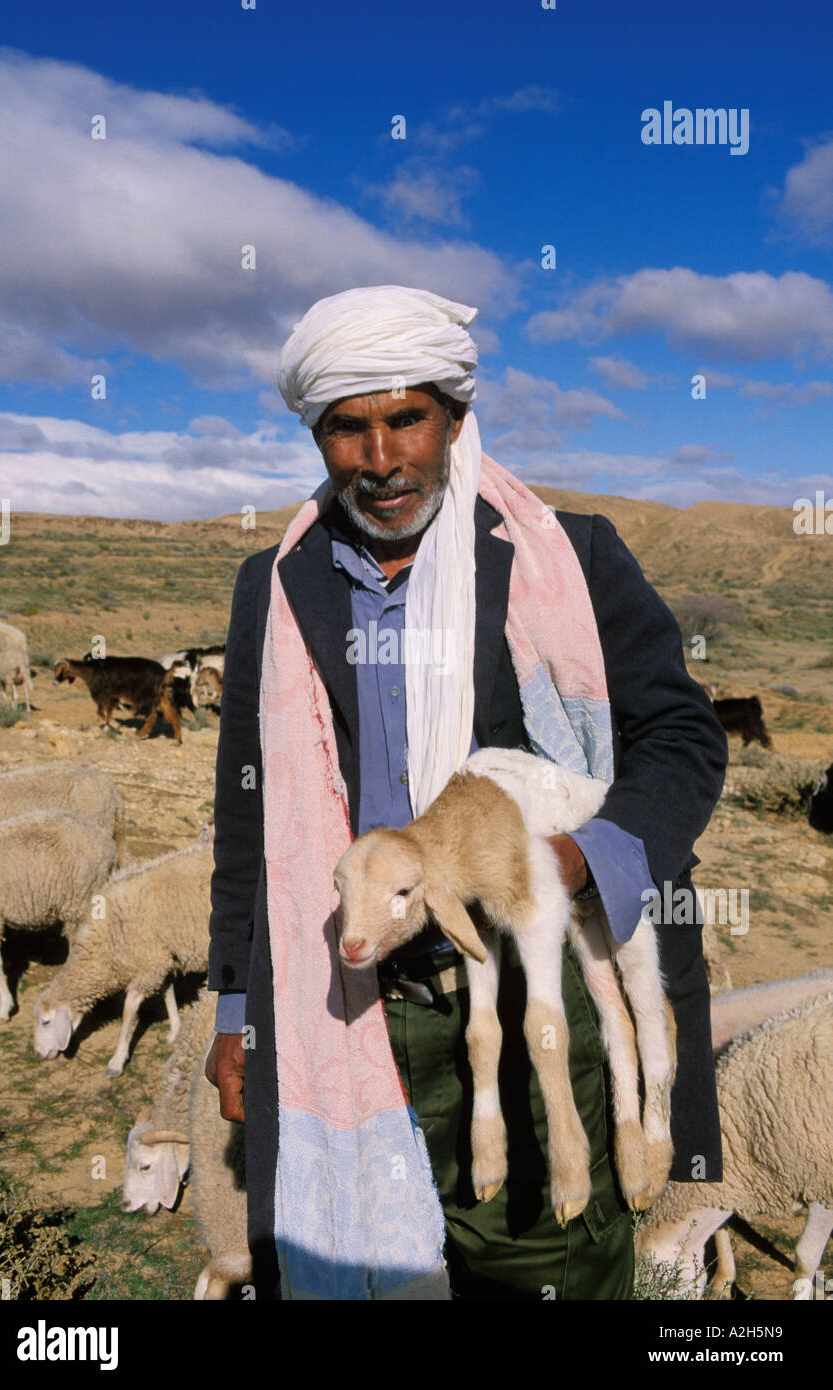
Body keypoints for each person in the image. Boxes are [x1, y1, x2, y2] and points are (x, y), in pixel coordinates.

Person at [204, 285, 728, 1300]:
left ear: (450, 418)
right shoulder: (271, 586)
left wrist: (584, 859)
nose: (380, 455)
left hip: (546, 989)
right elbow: (248, 814)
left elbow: (679, 736)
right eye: (347, 428)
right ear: (318, 435)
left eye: (405, 418)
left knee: (544, 1268)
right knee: (359, 1263)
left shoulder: (565, 556)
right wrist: (237, 1008)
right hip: (355, 1005)